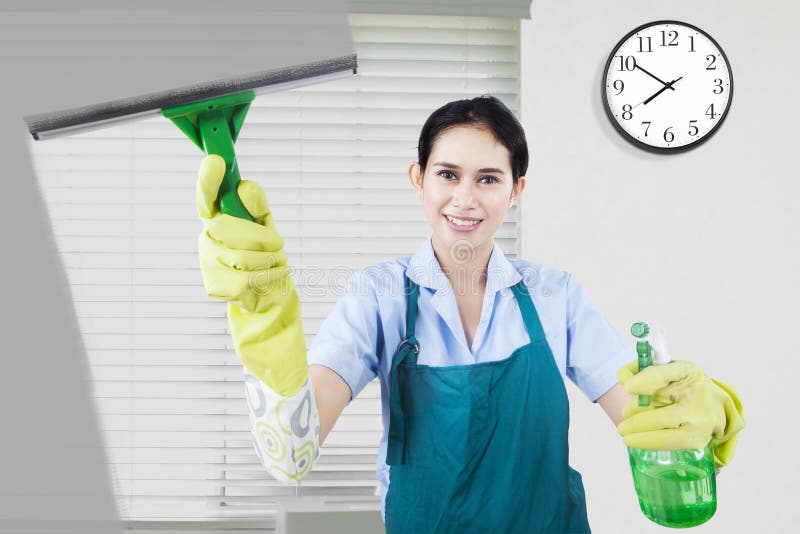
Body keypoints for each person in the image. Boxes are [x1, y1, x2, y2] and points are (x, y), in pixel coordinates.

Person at [195, 95, 745, 532]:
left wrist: (699, 420)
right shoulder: (378, 296)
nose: (465, 198)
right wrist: (264, 321)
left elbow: (645, 421)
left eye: (488, 178)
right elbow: (292, 454)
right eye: (447, 174)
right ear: (418, 179)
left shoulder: (557, 296)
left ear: (516, 190)